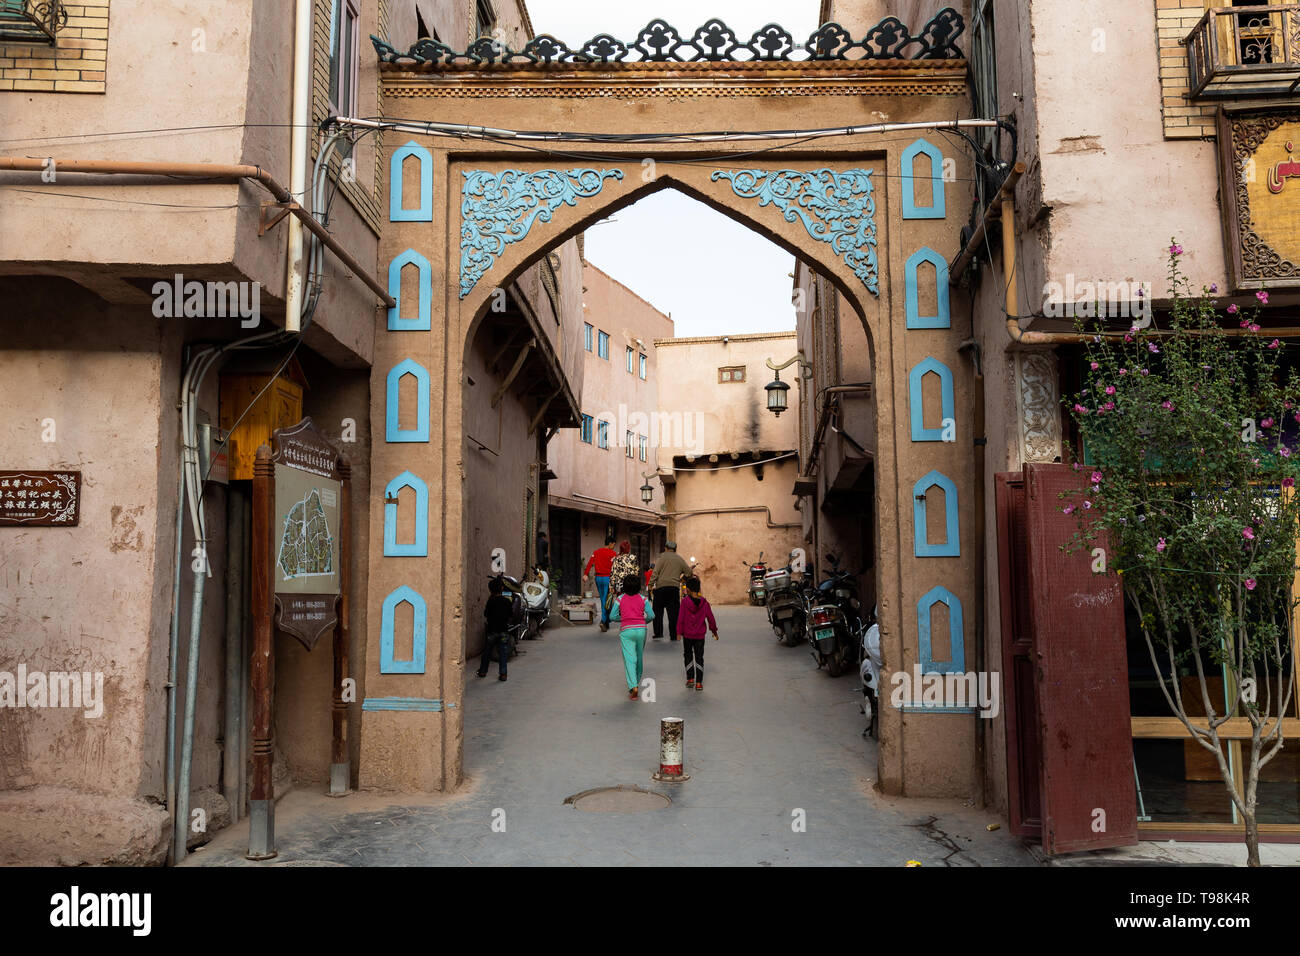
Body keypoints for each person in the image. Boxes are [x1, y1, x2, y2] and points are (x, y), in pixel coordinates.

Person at [609, 573, 653, 700]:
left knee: (629, 658)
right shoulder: (643, 599)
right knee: (639, 657)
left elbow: (612, 616)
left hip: (626, 631)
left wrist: (622, 619)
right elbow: (651, 615)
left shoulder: (620, 599)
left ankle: (633, 686)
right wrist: (644, 621)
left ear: (624, 587)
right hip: (641, 631)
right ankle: (636, 681)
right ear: (639, 587)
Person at [677, 575, 718, 691]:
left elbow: (680, 618)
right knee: (699, 657)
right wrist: (714, 631)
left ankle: (690, 679)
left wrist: (679, 632)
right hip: (700, 636)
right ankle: (699, 683)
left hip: (688, 635)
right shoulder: (705, 603)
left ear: (688, 590)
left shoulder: (685, 602)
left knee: (688, 655)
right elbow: (711, 619)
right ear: (699, 589)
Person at [649, 540, 691, 641]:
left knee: (657, 612)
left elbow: (655, 572)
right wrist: (681, 579)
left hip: (661, 588)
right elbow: (689, 572)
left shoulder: (661, 557)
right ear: (675, 549)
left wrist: (650, 584)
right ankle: (673, 634)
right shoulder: (679, 559)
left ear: (666, 548)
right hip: (673, 589)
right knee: (674, 613)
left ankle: (658, 633)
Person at [477, 577, 513, 681]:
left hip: (492, 632)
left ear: (490, 590)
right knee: (503, 653)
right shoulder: (506, 602)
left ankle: (483, 671)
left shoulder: (490, 601)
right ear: (502, 588)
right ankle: (503, 674)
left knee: (487, 652)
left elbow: (486, 614)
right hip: (503, 632)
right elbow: (510, 614)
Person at [583, 536, 618, 631]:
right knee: (606, 600)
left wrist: (585, 574)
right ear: (610, 543)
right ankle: (603, 620)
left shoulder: (596, 552)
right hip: (608, 579)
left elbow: (590, 563)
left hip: (598, 578)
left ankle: (607, 621)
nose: (614, 547)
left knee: (605, 598)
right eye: (614, 544)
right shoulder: (613, 554)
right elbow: (616, 568)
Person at [606, 541, 638, 616]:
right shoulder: (633, 558)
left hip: (620, 586)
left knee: (622, 602)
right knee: (631, 602)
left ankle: (624, 617)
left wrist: (611, 586)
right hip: (631, 585)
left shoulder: (617, 559)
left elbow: (613, 573)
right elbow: (636, 572)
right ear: (629, 548)